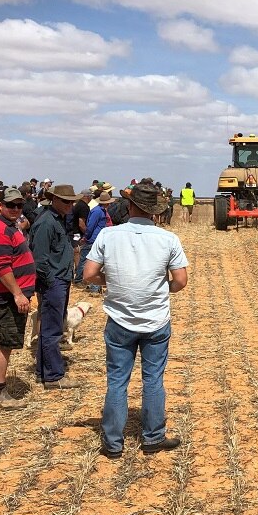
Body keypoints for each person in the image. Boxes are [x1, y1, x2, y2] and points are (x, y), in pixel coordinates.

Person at [83, 182, 189, 459]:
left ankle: (113, 443)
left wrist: (111, 283)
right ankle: (153, 438)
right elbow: (181, 280)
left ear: (129, 206)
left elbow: (89, 274)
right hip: (155, 321)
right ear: (155, 212)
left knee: (117, 380)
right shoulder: (168, 239)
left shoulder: (108, 235)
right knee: (153, 379)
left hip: (119, 321)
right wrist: (160, 288)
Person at [0, 187, 35, 410]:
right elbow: (2, 266)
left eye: (19, 205)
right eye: (10, 205)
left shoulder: (7, 226)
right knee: (5, 344)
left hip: (4, 294)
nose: (15, 209)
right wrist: (18, 293)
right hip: (6, 296)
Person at [28, 184, 81, 389]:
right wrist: (51, 283)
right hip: (53, 282)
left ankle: (45, 371)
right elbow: (39, 259)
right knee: (52, 329)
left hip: (59, 280)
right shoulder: (47, 222)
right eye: (66, 201)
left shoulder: (56, 219)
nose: (70, 205)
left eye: (71, 201)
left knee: (52, 327)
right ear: (54, 200)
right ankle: (53, 375)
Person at [82, 191, 114, 295]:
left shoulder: (101, 211)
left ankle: (94, 287)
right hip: (94, 239)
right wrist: (86, 237)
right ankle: (94, 288)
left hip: (97, 238)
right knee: (96, 264)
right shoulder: (98, 212)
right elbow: (91, 226)